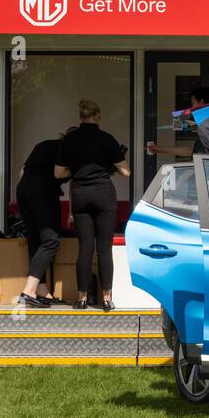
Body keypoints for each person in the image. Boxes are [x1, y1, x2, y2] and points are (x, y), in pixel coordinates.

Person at [55, 100, 131, 310]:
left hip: (80, 195)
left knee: (85, 248)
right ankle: (106, 299)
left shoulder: (69, 139)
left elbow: (59, 173)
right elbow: (126, 172)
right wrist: (107, 166)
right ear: (97, 115)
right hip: (103, 194)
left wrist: (79, 169)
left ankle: (82, 298)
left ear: (80, 116)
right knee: (104, 249)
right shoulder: (106, 138)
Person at [14, 131, 72, 308]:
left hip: (23, 189)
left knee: (35, 239)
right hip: (43, 191)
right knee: (51, 241)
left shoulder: (44, 143)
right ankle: (28, 292)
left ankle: (41, 289)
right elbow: (59, 173)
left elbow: (22, 171)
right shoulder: (68, 151)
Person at [145, 85, 209, 159]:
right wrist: (161, 149)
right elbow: (193, 151)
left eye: (193, 103)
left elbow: (196, 152)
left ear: (201, 101)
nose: (192, 108)